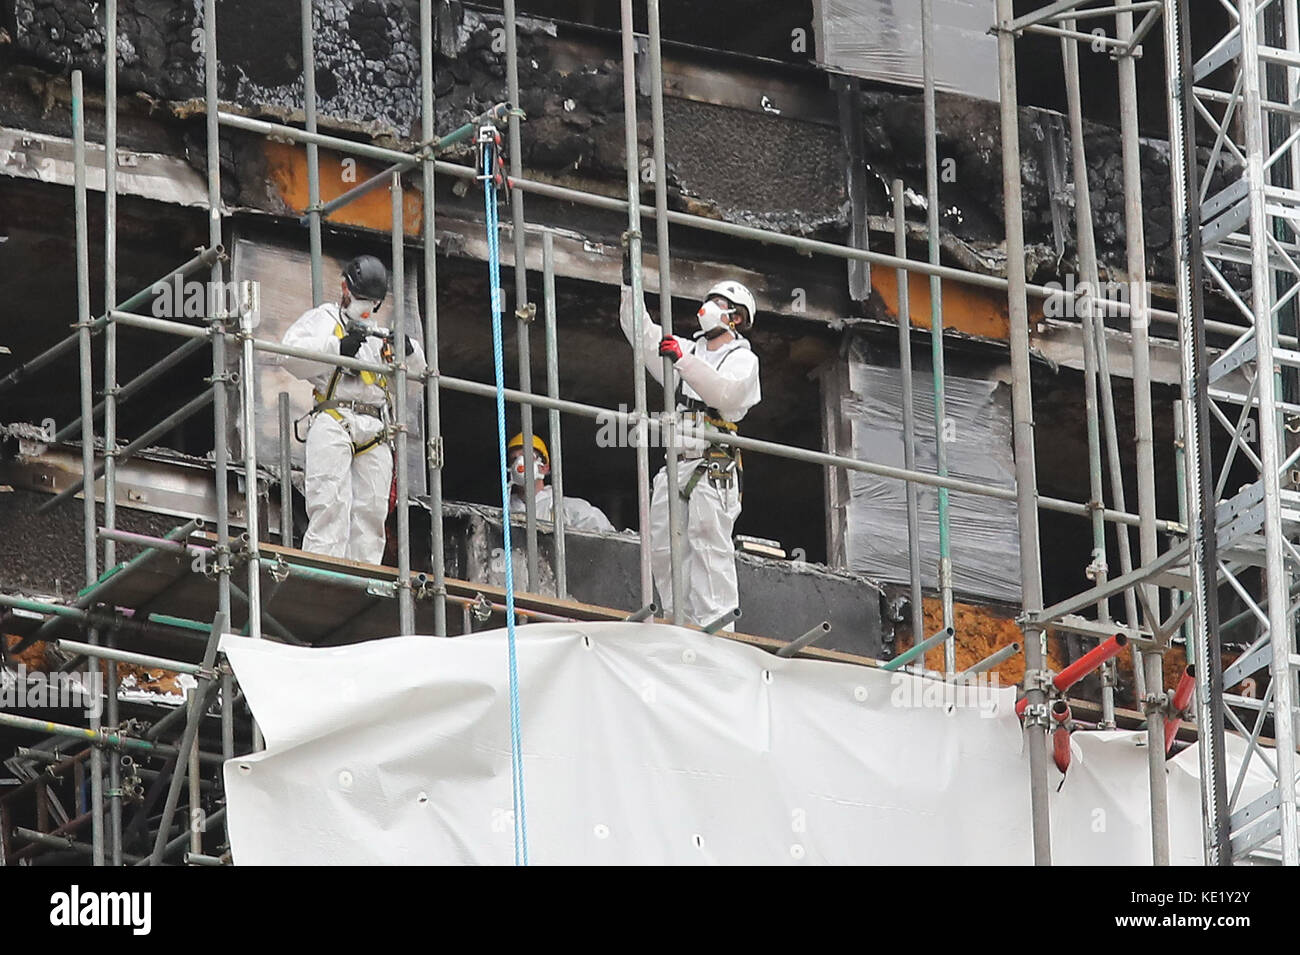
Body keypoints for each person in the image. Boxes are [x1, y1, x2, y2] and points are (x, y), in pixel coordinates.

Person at [619, 276, 761, 629]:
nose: (708, 308)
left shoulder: (742, 359)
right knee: (665, 548)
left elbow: (724, 394)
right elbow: (641, 333)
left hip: (713, 466)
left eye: (719, 302)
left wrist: (683, 362)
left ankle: (718, 628)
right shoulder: (687, 349)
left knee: (708, 547)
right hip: (676, 464)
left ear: (736, 317)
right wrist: (628, 284)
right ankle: (680, 624)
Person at [281, 254, 426, 564]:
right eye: (360, 298)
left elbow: (420, 374)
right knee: (329, 503)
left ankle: (362, 581)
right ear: (344, 288)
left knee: (371, 513)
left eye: (371, 302)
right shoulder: (323, 320)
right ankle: (322, 576)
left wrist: (409, 350)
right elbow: (289, 355)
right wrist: (337, 348)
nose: (364, 306)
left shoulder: (379, 336)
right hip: (334, 420)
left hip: (375, 428)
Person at [507, 432, 615, 533]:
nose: (519, 464)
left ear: (544, 468)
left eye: (527, 457)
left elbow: (610, 544)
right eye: (514, 459)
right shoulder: (503, 514)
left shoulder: (571, 510)